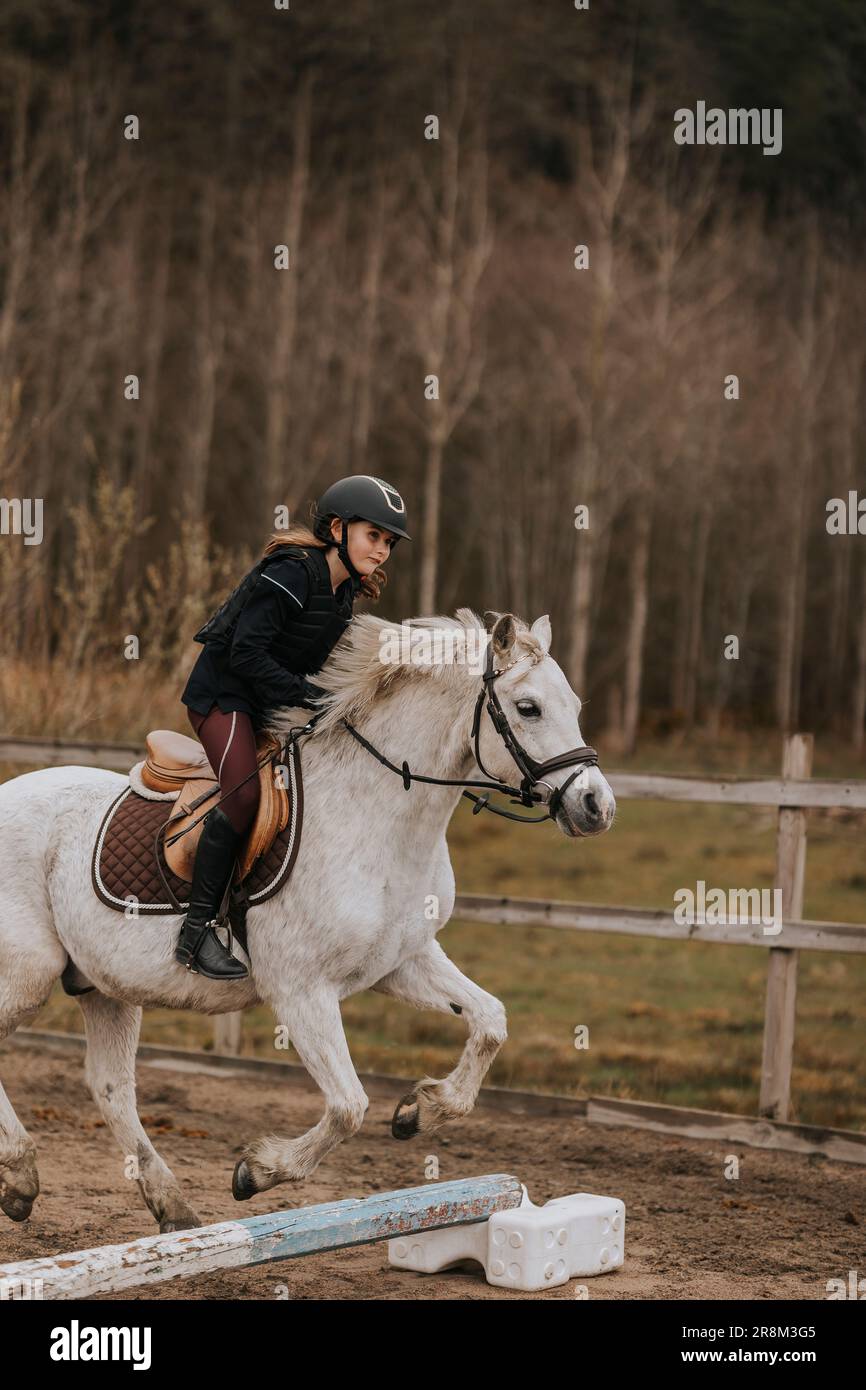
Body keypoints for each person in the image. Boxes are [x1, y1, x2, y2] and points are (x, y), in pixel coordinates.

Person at [176, 475, 412, 980]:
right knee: (241, 797)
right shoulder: (289, 573)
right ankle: (195, 932)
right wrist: (311, 698)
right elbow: (245, 653)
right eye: (375, 536)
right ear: (337, 528)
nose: (383, 550)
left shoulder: (345, 591)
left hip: (270, 703)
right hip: (223, 697)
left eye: (389, 542)